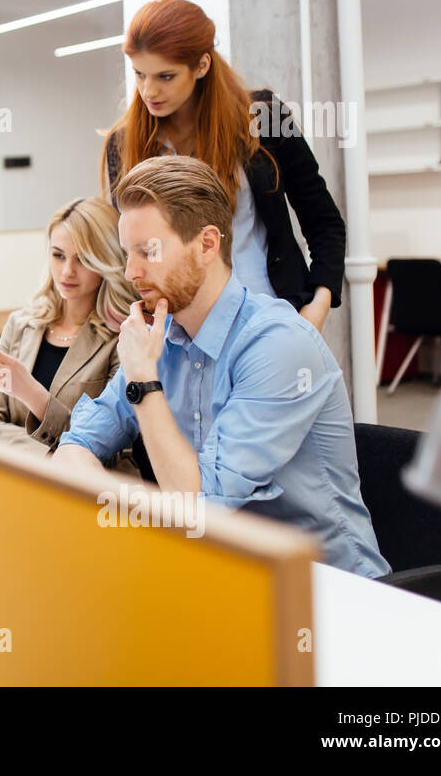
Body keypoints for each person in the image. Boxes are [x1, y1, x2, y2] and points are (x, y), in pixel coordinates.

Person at [54, 156, 389, 577]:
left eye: (148, 252)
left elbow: (198, 512)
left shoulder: (277, 346)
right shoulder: (164, 334)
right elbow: (76, 442)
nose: (130, 272)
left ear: (207, 245)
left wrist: (143, 381)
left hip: (330, 592)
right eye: (127, 253)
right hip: (225, 577)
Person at [101, 0, 344, 332]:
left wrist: (316, 309)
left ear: (201, 65)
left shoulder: (264, 117)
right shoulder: (124, 143)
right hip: (180, 333)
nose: (149, 90)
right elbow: (131, 248)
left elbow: (324, 223)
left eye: (165, 76)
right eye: (140, 74)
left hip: (271, 318)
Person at [0, 197, 136, 456]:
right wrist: (53, 458)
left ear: (105, 260)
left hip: (82, 493)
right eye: (58, 255)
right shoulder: (20, 325)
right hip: (16, 485)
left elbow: (110, 447)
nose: (67, 271)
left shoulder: (124, 338)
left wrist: (32, 393)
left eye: (82, 259)